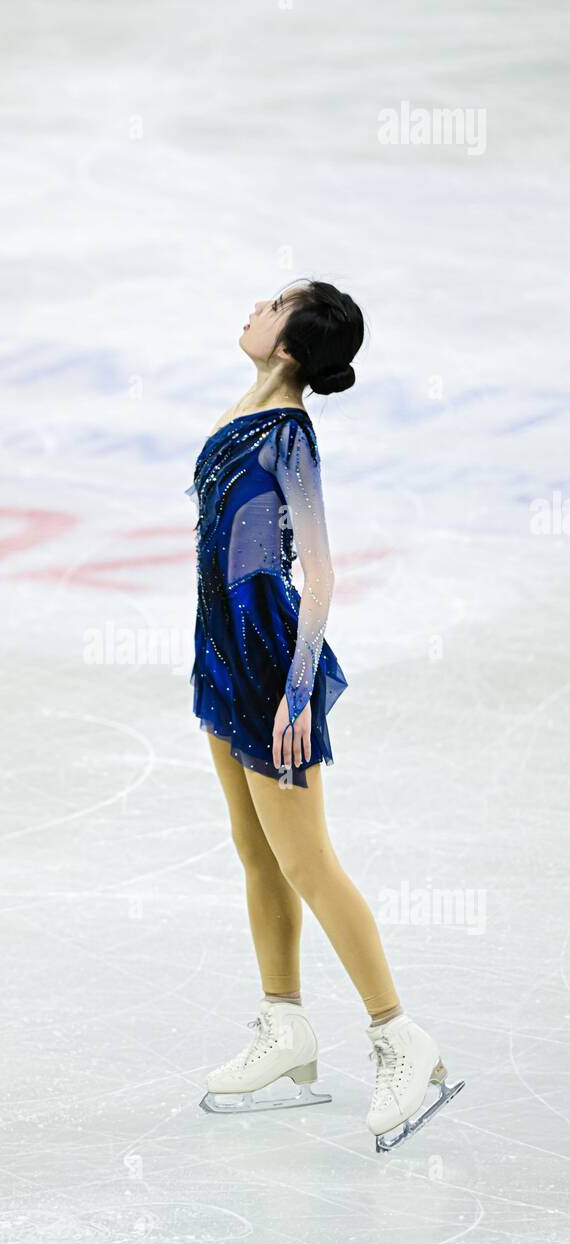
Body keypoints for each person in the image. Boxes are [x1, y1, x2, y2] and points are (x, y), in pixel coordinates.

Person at [189, 280, 464, 1151]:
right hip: (222, 649)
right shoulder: (246, 409)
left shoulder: (288, 433)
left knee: (307, 859)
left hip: (272, 659)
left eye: (272, 305)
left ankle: (400, 1036)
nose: (254, 307)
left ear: (288, 346)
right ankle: (287, 1029)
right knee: (255, 850)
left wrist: (298, 689)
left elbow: (320, 570)